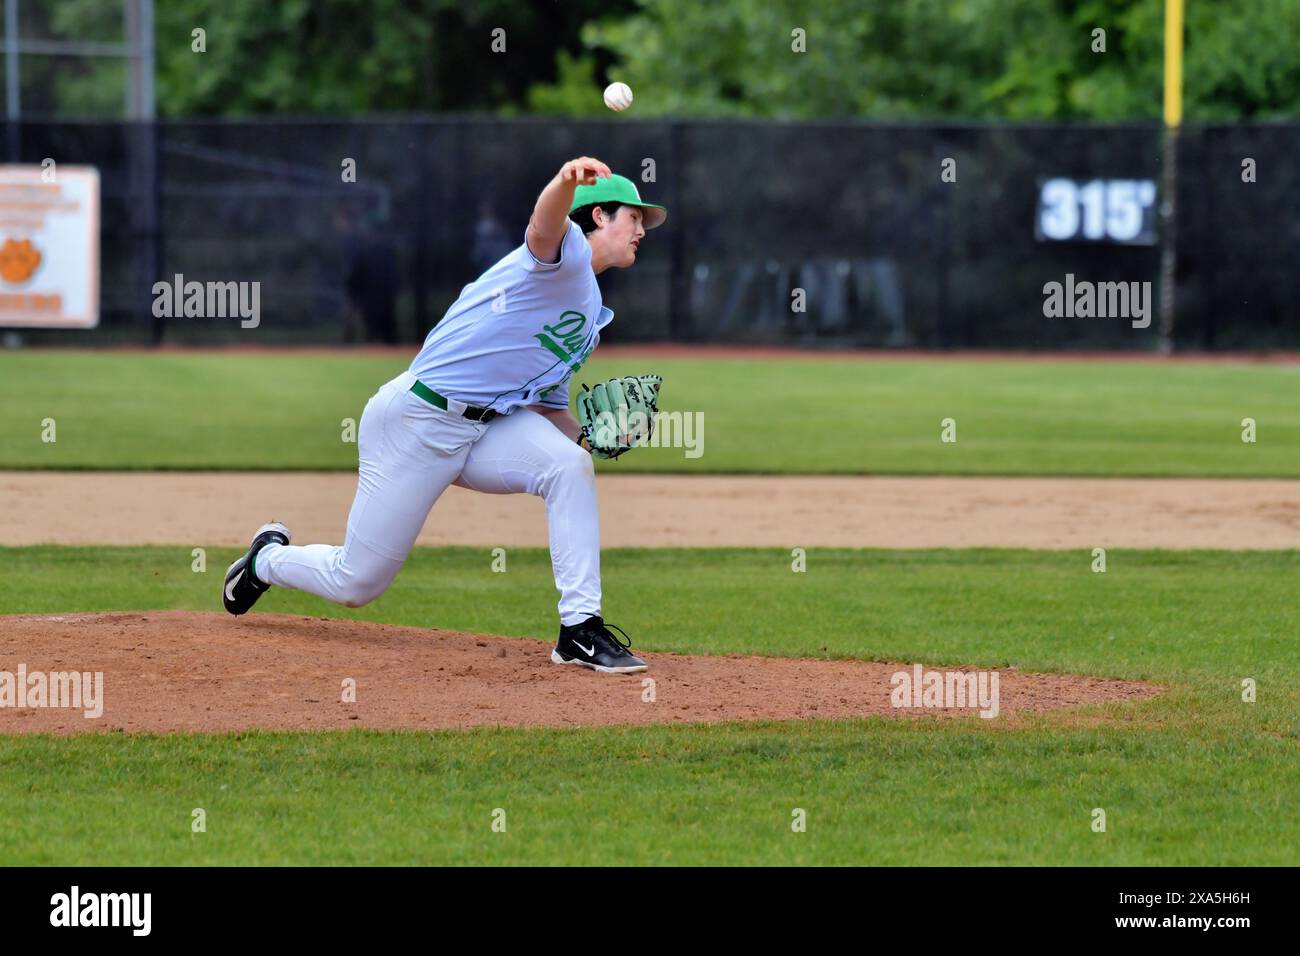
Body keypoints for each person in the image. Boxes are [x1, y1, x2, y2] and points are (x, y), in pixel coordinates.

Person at [222, 158, 667, 674]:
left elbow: (546, 406)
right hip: (416, 422)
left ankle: (579, 630)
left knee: (568, 466)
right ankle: (265, 560)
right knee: (356, 582)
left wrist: (589, 437)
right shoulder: (561, 253)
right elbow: (544, 223)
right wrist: (566, 181)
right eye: (632, 216)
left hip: (484, 430)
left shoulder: (588, 317)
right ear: (595, 217)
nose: (641, 228)